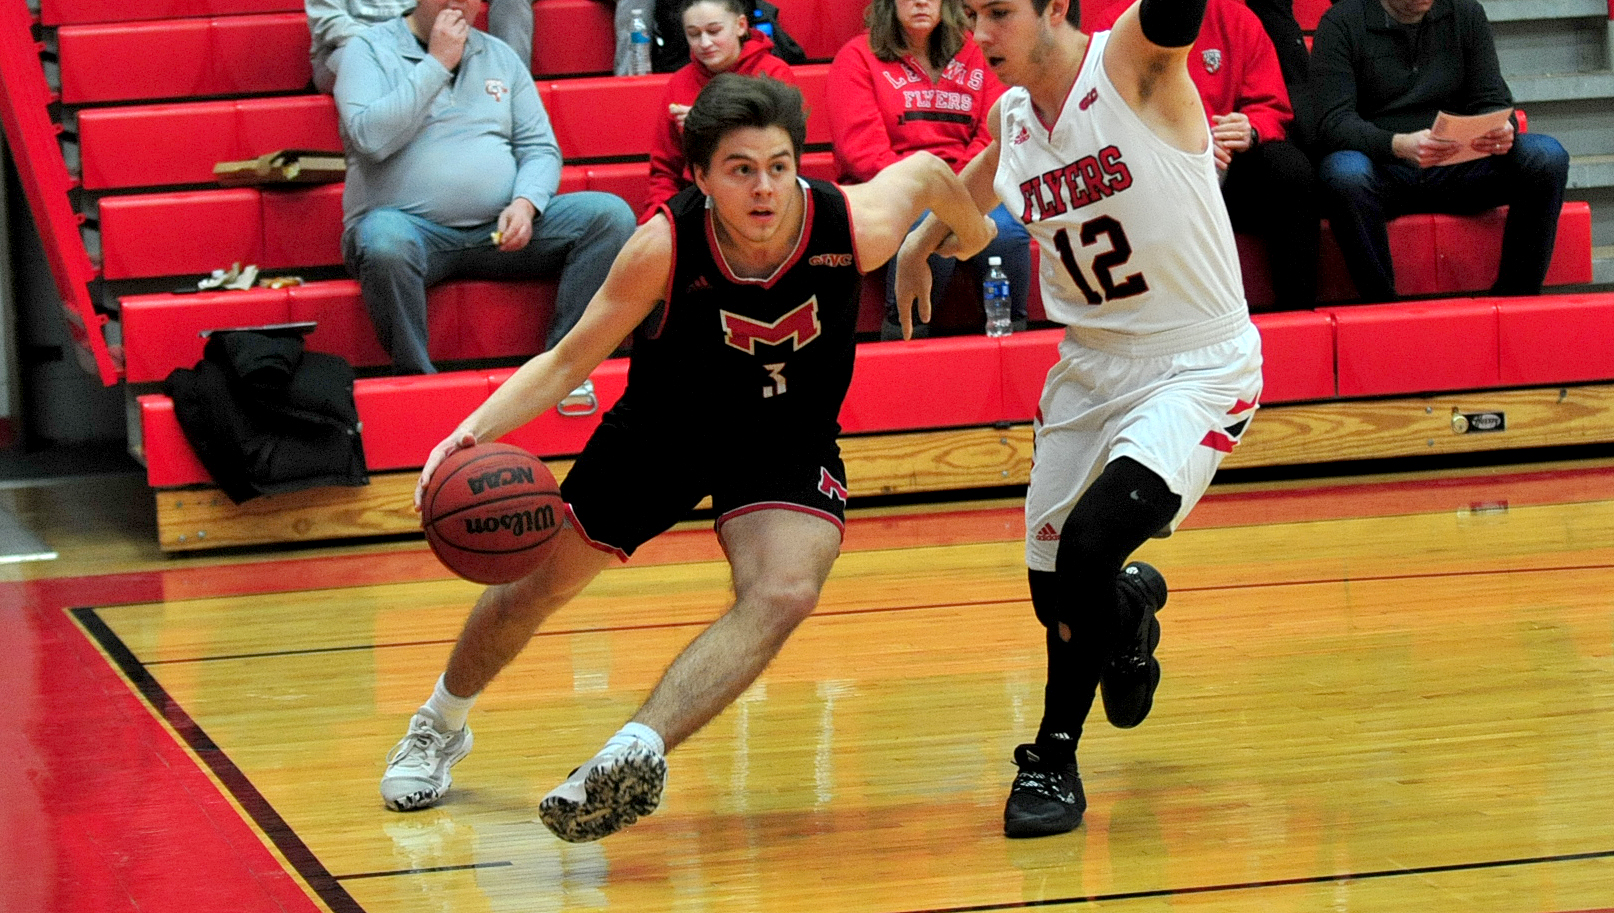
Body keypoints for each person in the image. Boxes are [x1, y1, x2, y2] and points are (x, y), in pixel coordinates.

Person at [377, 73, 999, 843]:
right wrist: (462, 435)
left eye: (779, 165)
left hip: (785, 434)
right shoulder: (662, 247)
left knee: (784, 590)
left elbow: (935, 175)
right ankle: (441, 723)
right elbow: (570, 359)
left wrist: (943, 243)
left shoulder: (852, 225)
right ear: (700, 177)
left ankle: (630, 750)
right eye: (741, 169)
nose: (765, 187)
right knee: (530, 590)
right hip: (666, 431)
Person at [894, 0, 1263, 837]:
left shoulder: (1132, 59)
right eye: (971, 16)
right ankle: (1126, 613)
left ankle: (1055, 759)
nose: (979, 36)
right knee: (1052, 588)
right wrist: (920, 246)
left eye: (997, 14)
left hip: (1195, 364)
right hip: (1090, 367)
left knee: (1091, 545)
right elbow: (984, 172)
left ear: (1055, 6)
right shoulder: (1014, 112)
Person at [334, 0, 636, 380]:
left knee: (609, 216)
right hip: (410, 229)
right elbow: (370, 139)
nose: (456, 4)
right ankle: (415, 377)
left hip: (498, 230)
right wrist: (437, 64)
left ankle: (563, 367)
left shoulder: (500, 55)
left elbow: (539, 148)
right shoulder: (367, 50)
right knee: (384, 242)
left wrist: (526, 204)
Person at [1309, 0, 1570, 302]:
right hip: (1384, 167)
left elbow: (1492, 97)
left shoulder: (1466, 12)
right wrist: (1397, 144)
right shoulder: (1341, 22)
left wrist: (1501, 126)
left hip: (1459, 163)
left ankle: (1516, 299)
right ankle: (1382, 306)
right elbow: (1333, 122)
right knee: (1344, 174)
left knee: (1546, 156)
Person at [827, 0, 1033, 339]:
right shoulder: (857, 56)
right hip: (893, 189)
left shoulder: (977, 51)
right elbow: (862, 151)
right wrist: (925, 190)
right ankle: (902, 337)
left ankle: (1015, 346)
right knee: (927, 234)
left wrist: (957, 192)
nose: (921, 1)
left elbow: (994, 136)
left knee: (1008, 236)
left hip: (970, 184)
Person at [1094, 0, 1318, 310]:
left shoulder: (1237, 18)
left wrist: (1250, 129)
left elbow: (1271, 104)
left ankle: (1299, 314)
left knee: (1290, 171)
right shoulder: (1116, 23)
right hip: (1156, 169)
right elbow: (1101, 114)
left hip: (1229, 164)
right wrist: (1175, 146)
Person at [643, 0, 796, 217]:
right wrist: (658, 216)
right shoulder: (679, 82)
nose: (704, 43)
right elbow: (665, 171)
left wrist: (707, 125)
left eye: (714, 31)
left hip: (765, 193)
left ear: (741, 26)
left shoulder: (773, 73)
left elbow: (783, 151)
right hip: (697, 201)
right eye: (694, 34)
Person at [307, 0, 535, 92]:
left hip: (419, 40)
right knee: (358, 60)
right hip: (350, 47)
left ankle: (510, 92)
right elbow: (330, 24)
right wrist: (389, 44)